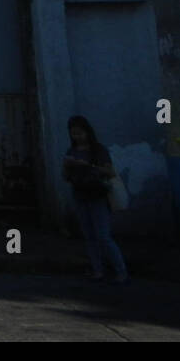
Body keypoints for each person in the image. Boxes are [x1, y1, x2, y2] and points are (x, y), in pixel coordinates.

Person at [62, 115, 128, 284]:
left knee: (103, 236)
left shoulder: (98, 150)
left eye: (80, 133)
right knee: (89, 236)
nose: (77, 137)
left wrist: (87, 166)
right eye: (74, 134)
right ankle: (97, 270)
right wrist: (68, 166)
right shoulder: (71, 151)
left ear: (87, 132)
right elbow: (65, 176)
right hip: (80, 194)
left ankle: (120, 270)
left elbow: (110, 172)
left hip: (97, 196)